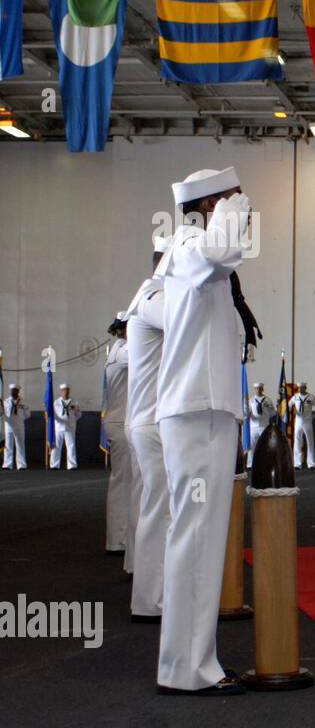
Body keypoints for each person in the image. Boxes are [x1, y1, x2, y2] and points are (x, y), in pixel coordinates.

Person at [154, 166, 251, 696]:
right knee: (194, 537)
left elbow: (227, 258)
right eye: (234, 198)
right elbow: (221, 252)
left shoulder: (201, 252)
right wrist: (232, 212)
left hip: (207, 410)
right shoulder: (188, 244)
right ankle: (185, 668)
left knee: (205, 538)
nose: (244, 207)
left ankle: (196, 661)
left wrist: (229, 213)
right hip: (194, 412)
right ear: (211, 204)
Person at [124, 236, 170, 621]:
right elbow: (182, 320)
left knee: (159, 505)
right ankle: (150, 599)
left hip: (153, 420)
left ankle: (154, 593)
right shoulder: (154, 297)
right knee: (160, 506)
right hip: (153, 421)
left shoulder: (151, 296)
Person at [103, 316, 134, 557]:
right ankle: (118, 539)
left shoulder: (118, 351)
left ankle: (122, 538)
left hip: (121, 420)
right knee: (122, 482)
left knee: (125, 482)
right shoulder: (123, 351)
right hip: (121, 421)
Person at [291, 382, 315, 469]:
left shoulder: (311, 397)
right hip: (298, 422)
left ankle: (311, 464)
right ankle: (297, 464)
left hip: (308, 421)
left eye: (302, 388)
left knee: (310, 442)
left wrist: (313, 415)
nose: (300, 389)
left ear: (305, 388)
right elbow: (288, 405)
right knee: (297, 442)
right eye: (299, 388)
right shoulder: (295, 397)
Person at [50, 383, 80, 469]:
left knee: (71, 446)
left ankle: (72, 465)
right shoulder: (56, 402)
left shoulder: (74, 402)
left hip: (70, 427)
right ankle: (54, 465)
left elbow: (79, 414)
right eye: (63, 390)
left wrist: (72, 420)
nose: (65, 392)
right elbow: (53, 415)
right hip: (58, 427)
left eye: (67, 390)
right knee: (56, 446)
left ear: (69, 391)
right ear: (61, 392)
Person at [2, 384, 29, 470]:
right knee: (8, 445)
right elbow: (4, 413)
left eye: (15, 390)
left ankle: (21, 465)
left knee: (20, 445)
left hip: (19, 426)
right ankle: (7, 464)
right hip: (9, 426)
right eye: (12, 391)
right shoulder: (5, 402)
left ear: (18, 391)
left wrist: (21, 419)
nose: (13, 392)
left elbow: (28, 414)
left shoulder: (23, 402)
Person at [247, 381, 273, 460]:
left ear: (262, 389)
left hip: (264, 425)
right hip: (253, 426)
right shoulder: (251, 400)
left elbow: (273, 413)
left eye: (260, 388)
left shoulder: (267, 400)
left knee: (265, 445)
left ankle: (265, 462)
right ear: (254, 389)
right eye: (256, 388)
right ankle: (251, 463)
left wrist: (266, 417)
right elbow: (247, 412)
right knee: (252, 446)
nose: (258, 390)